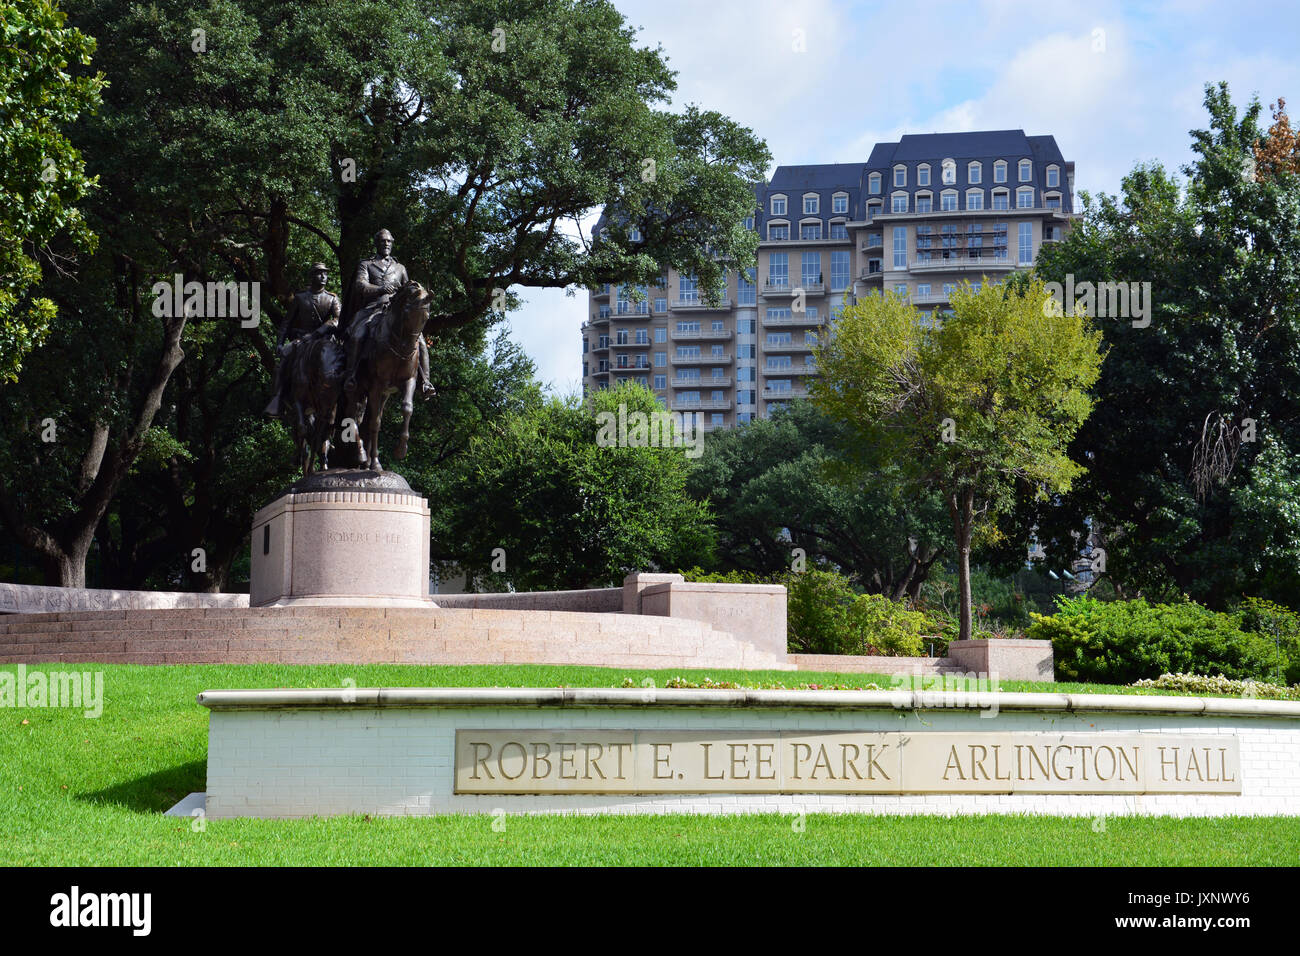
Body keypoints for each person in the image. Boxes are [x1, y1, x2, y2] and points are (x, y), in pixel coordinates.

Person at [343, 228, 433, 398]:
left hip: (395, 313)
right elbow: (360, 285)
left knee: (419, 340)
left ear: (392, 243)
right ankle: (351, 376)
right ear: (376, 243)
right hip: (372, 309)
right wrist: (380, 289)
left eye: (389, 241)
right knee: (357, 335)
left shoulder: (400, 267)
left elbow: (409, 290)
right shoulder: (366, 264)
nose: (386, 244)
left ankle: (425, 382)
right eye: (382, 241)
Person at [264, 263, 342, 418]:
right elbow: (286, 323)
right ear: (312, 276)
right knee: (282, 363)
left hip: (324, 340)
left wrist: (322, 330)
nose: (323, 277)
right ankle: (278, 398)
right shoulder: (300, 298)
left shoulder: (332, 299)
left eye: (325, 274)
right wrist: (279, 343)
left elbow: (339, 319)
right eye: (319, 273)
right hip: (302, 340)